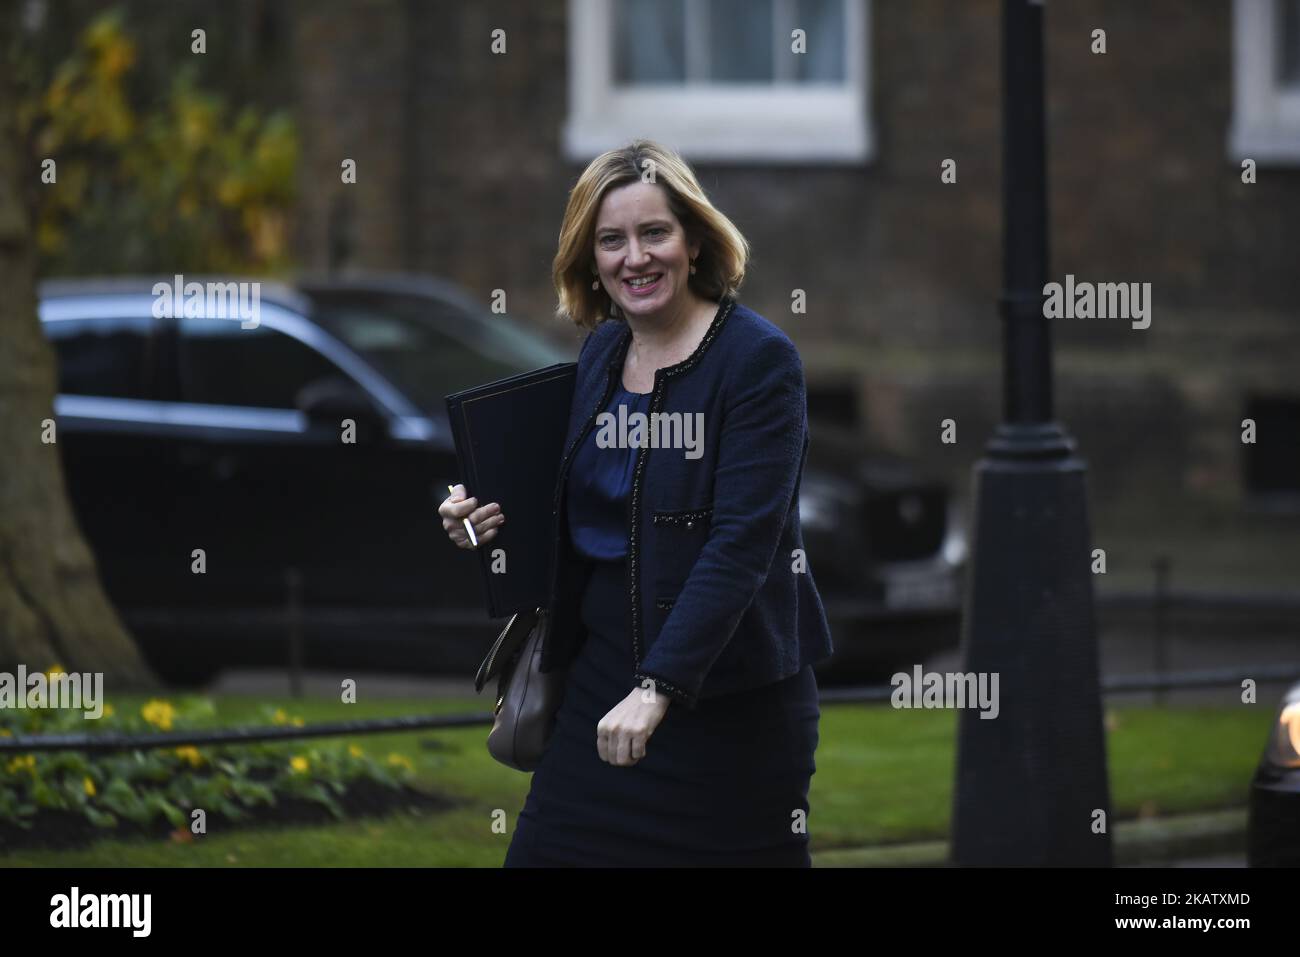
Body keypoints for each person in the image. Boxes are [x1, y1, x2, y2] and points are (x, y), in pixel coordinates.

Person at [438, 138, 834, 867]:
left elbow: (741, 542)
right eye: (612, 240)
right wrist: (482, 519)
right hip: (598, 691)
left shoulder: (757, 362)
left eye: (654, 232)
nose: (635, 257)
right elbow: (578, 504)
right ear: (589, 258)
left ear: (692, 240)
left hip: (731, 708)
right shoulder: (600, 355)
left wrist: (661, 685)